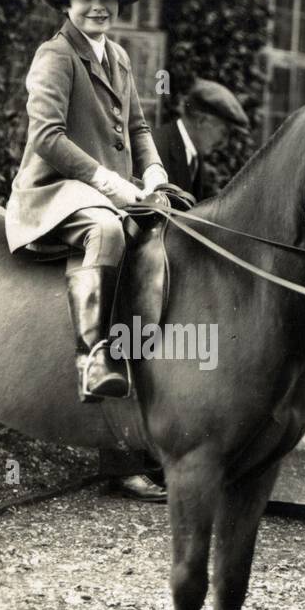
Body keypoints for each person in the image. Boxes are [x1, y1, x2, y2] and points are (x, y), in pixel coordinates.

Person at [5, 0, 168, 402]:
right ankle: (92, 359)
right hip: (56, 189)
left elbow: (137, 126)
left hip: (110, 189)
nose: (99, 7)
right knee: (106, 231)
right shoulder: (54, 56)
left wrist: (153, 170)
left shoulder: (118, 56)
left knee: (172, 223)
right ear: (66, 2)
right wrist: (106, 180)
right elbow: (47, 137)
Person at [100, 77, 249, 502]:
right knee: (129, 346)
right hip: (134, 265)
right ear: (200, 119)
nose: (222, 141)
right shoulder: (161, 148)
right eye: (221, 129)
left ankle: (156, 456)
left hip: (164, 268)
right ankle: (122, 467)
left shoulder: (192, 156)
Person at [154, 78, 249, 200]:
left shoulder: (193, 156)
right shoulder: (156, 150)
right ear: (202, 120)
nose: (224, 143)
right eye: (223, 132)